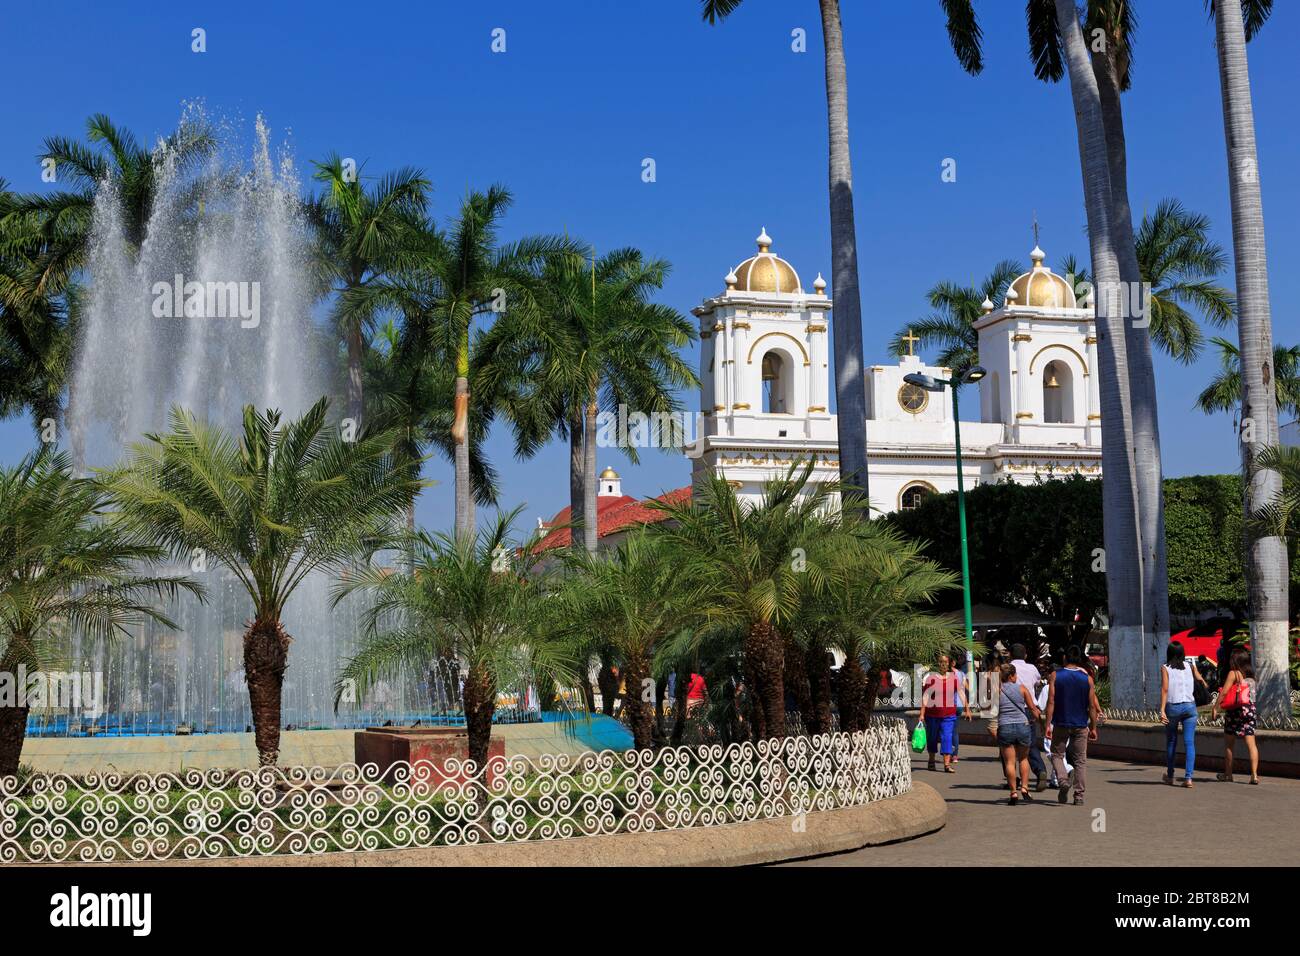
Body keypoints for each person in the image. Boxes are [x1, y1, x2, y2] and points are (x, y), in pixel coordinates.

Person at [1044, 645, 1099, 805]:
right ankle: (1079, 796)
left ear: (1065, 658)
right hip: (1081, 724)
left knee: (1056, 754)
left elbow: (1051, 701)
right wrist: (1094, 727)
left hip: (1061, 722)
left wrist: (1047, 724)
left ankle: (1062, 780)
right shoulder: (1087, 679)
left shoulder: (1056, 675)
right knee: (1080, 760)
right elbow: (1092, 706)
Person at [1159, 640, 1208, 788]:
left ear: (1169, 653)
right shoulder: (1190, 666)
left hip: (1173, 708)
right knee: (1189, 743)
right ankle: (1188, 778)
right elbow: (1202, 681)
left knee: (1172, 742)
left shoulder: (1165, 668)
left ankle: (1170, 775)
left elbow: (1165, 689)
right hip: (1190, 708)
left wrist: (1161, 710)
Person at [1211, 647, 1260, 784]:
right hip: (1249, 711)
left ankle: (1228, 774)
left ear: (1235, 660)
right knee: (1252, 744)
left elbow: (1224, 692)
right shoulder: (1251, 675)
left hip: (1235, 711)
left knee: (1229, 744)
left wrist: (1216, 707)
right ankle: (1254, 775)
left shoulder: (1234, 673)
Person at [918, 653, 972, 773]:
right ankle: (931, 760)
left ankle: (946, 764)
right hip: (932, 715)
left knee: (947, 738)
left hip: (949, 715)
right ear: (938, 664)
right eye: (941, 662)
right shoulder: (931, 678)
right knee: (932, 738)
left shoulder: (953, 678)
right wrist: (922, 714)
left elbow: (961, 693)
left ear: (949, 664)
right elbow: (926, 696)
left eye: (946, 662)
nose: (943, 664)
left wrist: (967, 709)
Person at [996, 663, 1041, 805]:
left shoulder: (997, 690)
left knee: (1009, 762)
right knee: (1023, 759)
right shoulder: (1022, 689)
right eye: (1015, 675)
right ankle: (1025, 788)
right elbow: (1033, 709)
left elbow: (990, 710)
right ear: (1011, 676)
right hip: (1023, 725)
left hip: (1005, 726)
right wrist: (1039, 721)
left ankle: (1013, 792)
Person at [1009, 643, 1045, 790]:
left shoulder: (1007, 669)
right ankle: (1040, 770)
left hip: (1011, 710)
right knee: (1029, 743)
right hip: (1029, 709)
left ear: (1010, 655)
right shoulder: (1032, 668)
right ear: (1025, 655)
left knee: (1008, 745)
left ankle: (1012, 779)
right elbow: (1037, 681)